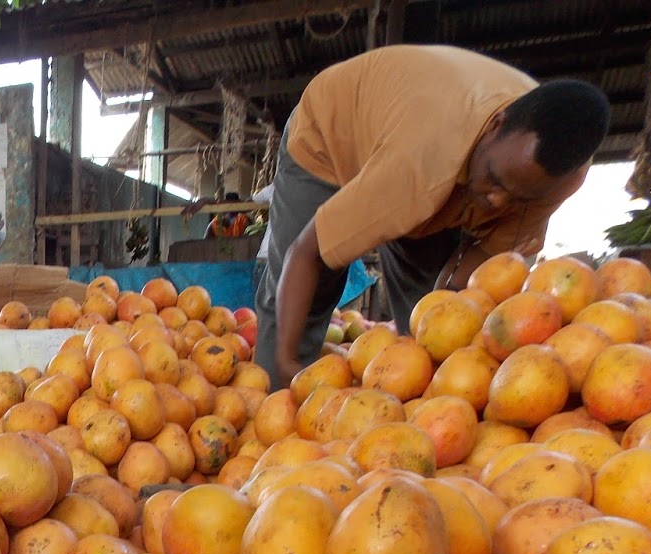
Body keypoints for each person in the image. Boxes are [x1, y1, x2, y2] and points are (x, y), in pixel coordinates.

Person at [254, 45, 609, 383]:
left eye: (518, 198)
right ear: (495, 125)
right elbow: (305, 252)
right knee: (302, 307)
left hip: (426, 157)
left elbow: (475, 274)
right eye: (495, 181)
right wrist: (287, 362)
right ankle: (269, 416)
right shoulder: (419, 164)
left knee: (434, 321)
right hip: (328, 140)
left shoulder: (558, 176)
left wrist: (441, 325)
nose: (498, 203)